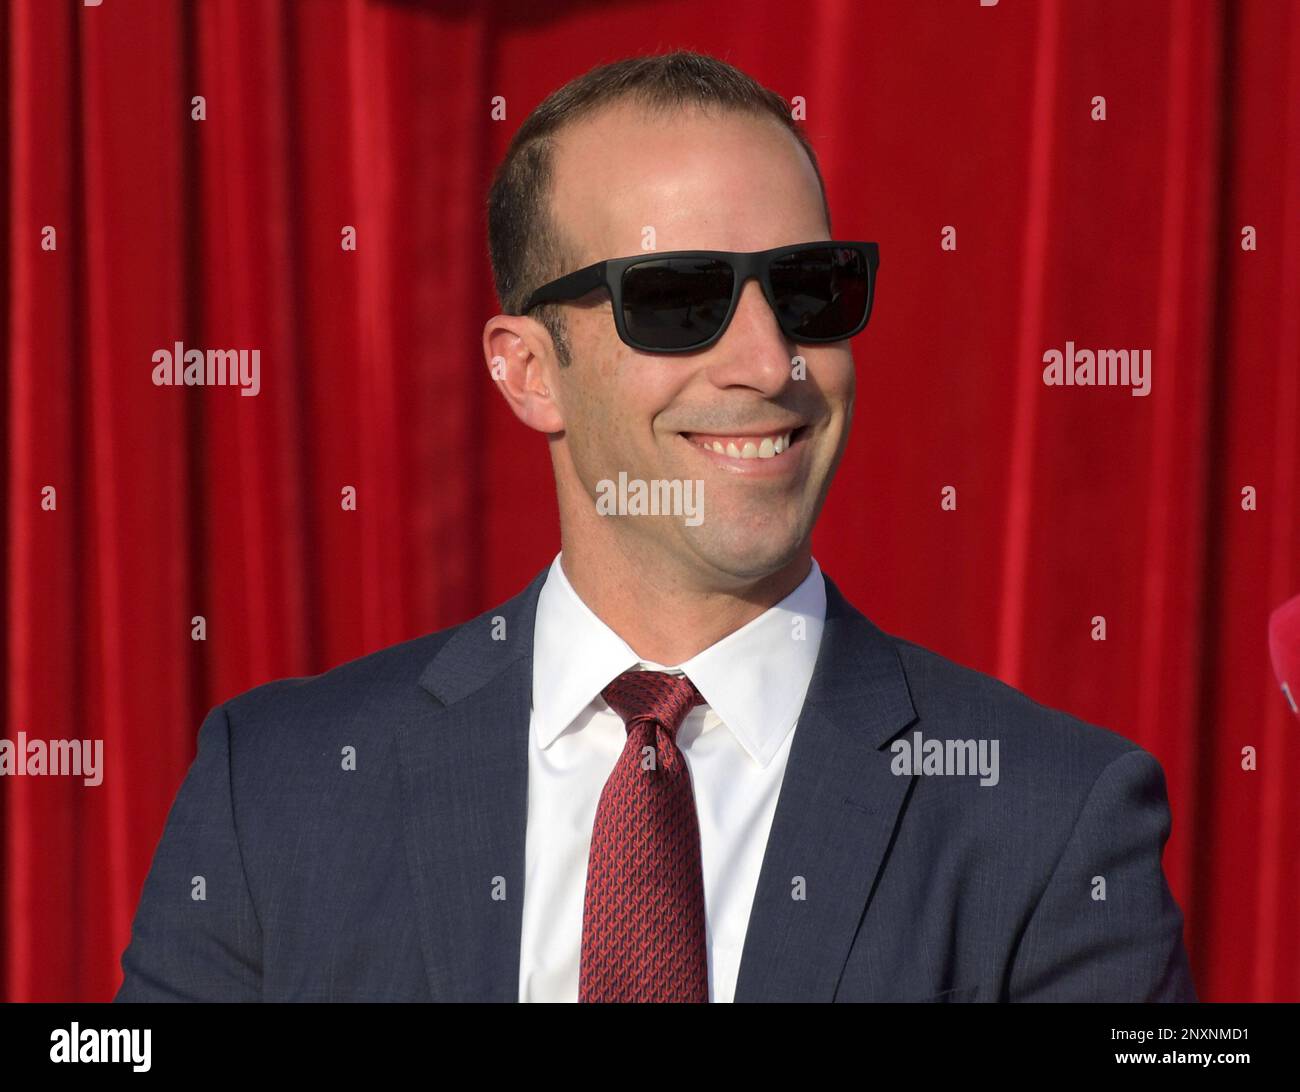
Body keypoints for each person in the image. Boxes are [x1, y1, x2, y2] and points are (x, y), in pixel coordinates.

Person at [115, 49, 1196, 1003]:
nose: (771, 364)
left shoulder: (1050, 820)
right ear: (529, 371)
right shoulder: (276, 790)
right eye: (681, 299)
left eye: (811, 291)